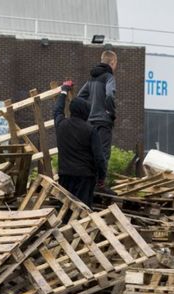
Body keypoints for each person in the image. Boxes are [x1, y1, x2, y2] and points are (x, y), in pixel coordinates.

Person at [53, 80, 106, 207]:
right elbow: (99, 157)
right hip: (85, 178)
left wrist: (64, 91)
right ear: (86, 113)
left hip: (65, 175)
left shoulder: (61, 125)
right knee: (83, 211)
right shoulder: (90, 130)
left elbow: (57, 110)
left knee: (66, 210)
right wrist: (101, 178)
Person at [78, 50, 117, 190]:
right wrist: (110, 112)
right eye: (115, 64)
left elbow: (80, 97)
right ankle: (100, 184)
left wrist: (88, 111)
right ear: (112, 62)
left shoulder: (92, 79)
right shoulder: (109, 77)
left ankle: (90, 183)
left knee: (91, 152)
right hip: (104, 122)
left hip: (90, 122)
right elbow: (110, 95)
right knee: (103, 153)